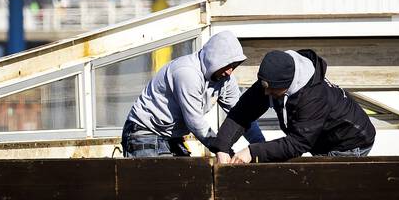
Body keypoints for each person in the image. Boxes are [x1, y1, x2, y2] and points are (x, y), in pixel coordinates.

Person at [214, 48, 375, 163]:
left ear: (288, 85)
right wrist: (222, 146)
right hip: (319, 137)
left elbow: (299, 143)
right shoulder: (274, 77)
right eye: (264, 87)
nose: (266, 93)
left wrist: (252, 151)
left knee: (324, 189)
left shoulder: (313, 97)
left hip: (350, 141)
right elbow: (244, 111)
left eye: (272, 89)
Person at [121, 31, 264, 157]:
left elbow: (242, 115)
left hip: (173, 136)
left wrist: (261, 147)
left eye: (233, 66)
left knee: (184, 182)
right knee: (159, 184)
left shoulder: (226, 79)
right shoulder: (187, 73)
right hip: (144, 133)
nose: (229, 71)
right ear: (213, 59)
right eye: (227, 65)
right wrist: (221, 149)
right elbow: (194, 121)